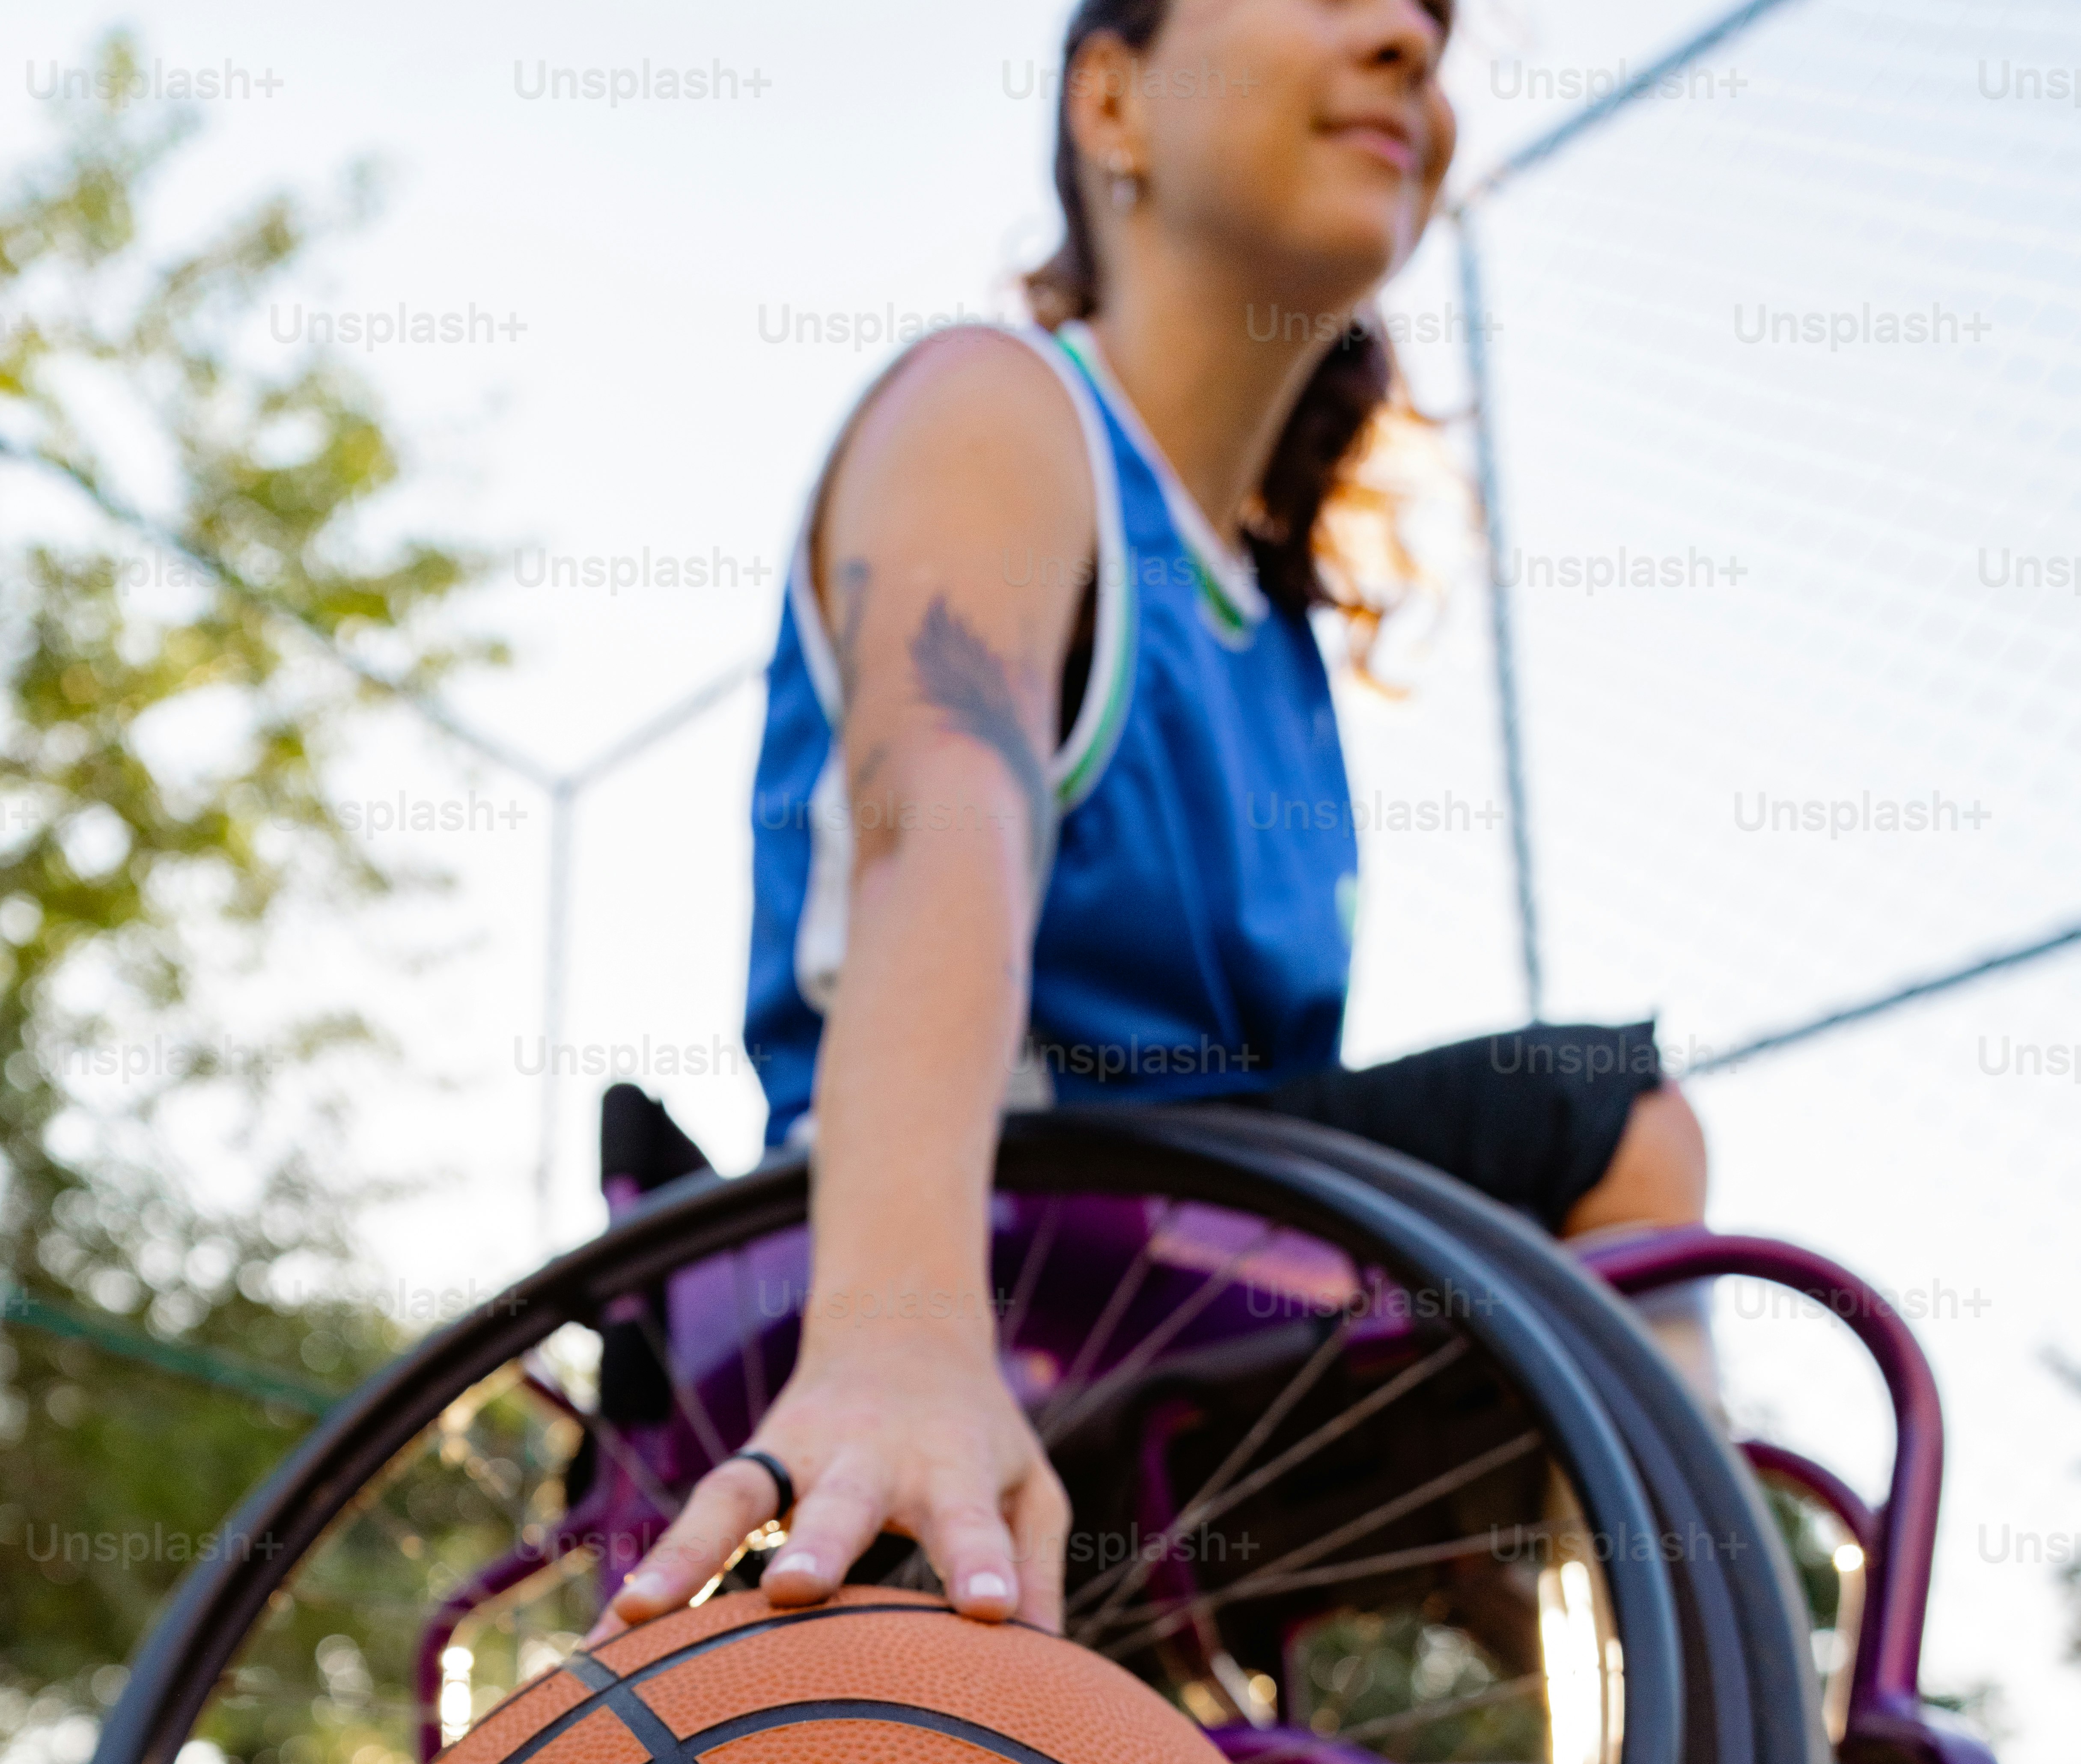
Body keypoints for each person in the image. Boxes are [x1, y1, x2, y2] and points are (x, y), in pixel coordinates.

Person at [604, 0, 1707, 1644]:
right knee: (1610, 1121)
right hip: (970, 1230)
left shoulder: (1266, 614)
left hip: (1196, 1234)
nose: (1410, 34)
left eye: (1434, 16)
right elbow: (936, 839)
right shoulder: (996, 415)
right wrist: (903, 1331)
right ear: (1112, 99)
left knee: (1557, 1191)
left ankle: (1668, 1738)